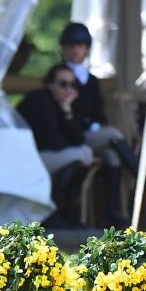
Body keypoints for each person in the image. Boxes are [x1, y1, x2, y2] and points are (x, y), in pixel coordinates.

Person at [59, 21, 146, 226]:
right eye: (70, 45)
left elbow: (99, 111)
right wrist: (92, 125)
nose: (74, 50)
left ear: (86, 49)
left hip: (93, 133)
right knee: (113, 134)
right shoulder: (60, 75)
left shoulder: (92, 80)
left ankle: (112, 212)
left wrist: (97, 124)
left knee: (113, 157)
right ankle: (145, 180)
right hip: (73, 133)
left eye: (79, 45)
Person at [17, 64, 95, 230]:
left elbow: (78, 139)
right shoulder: (40, 102)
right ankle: (55, 214)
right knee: (81, 155)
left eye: (72, 85)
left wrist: (67, 111)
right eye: (63, 84)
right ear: (50, 85)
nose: (68, 89)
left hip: (44, 156)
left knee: (82, 154)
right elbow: (56, 143)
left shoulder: (62, 103)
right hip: (27, 161)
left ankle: (64, 214)